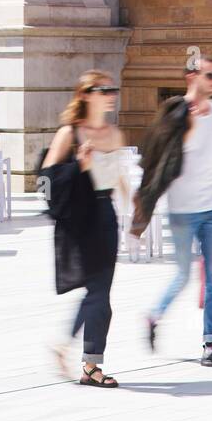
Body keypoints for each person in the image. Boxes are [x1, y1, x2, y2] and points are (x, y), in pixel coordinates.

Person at [137, 55, 212, 368]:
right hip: (182, 209)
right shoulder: (175, 112)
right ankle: (153, 315)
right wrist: (187, 124)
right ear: (191, 77)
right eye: (211, 75)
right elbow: (157, 155)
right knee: (183, 275)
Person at [41, 71, 128, 387]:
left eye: (112, 89)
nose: (110, 94)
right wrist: (79, 165)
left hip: (107, 214)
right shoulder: (70, 133)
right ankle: (89, 363)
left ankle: (70, 349)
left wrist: (135, 215)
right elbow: (46, 178)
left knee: (98, 291)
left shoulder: (114, 133)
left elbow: (120, 178)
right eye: (103, 89)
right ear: (85, 94)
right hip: (82, 216)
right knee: (99, 293)